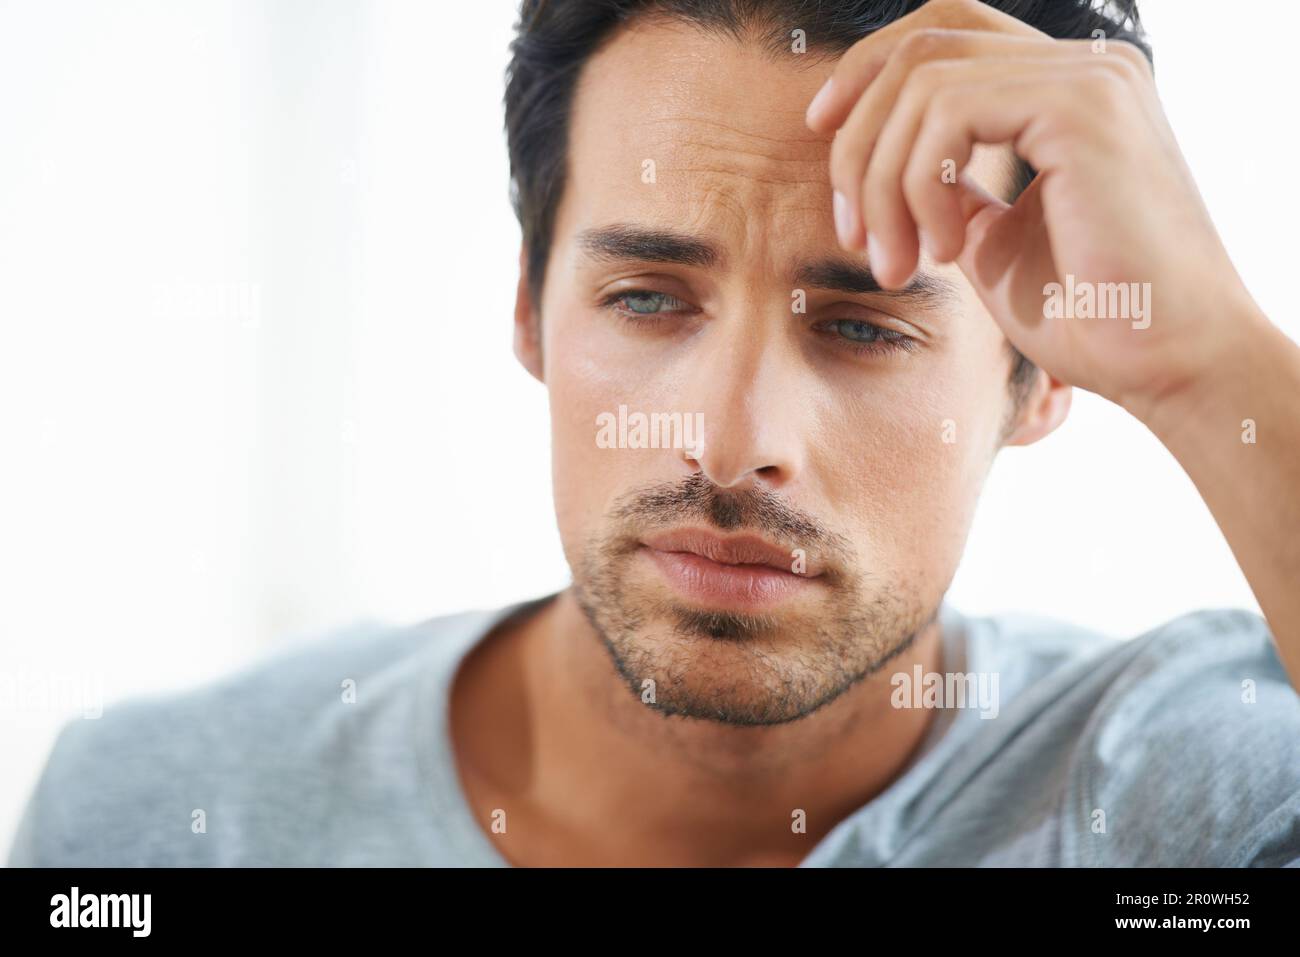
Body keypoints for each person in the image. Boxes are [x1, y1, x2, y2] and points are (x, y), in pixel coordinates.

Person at [10, 0, 1300, 867]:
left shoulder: (1168, 811)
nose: (730, 442)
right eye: (645, 299)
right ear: (528, 307)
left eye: (860, 327)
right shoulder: (153, 821)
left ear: (1038, 379)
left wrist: (1208, 358)